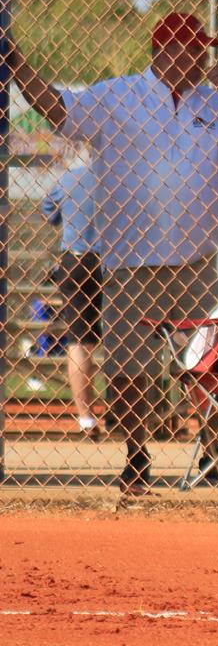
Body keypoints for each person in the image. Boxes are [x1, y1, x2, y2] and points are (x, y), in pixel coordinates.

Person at [8, 13, 218, 495]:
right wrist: (16, 61)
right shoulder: (118, 95)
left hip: (199, 256)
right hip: (130, 259)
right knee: (128, 372)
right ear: (166, 51)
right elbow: (58, 110)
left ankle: (213, 454)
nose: (205, 58)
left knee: (205, 366)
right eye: (195, 49)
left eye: (206, 49)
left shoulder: (217, 103)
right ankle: (137, 454)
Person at [40, 149, 101, 434]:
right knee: (123, 337)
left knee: (79, 339)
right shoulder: (126, 181)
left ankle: (86, 417)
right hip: (113, 262)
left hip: (74, 259)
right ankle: (127, 415)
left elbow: (48, 212)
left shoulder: (70, 179)